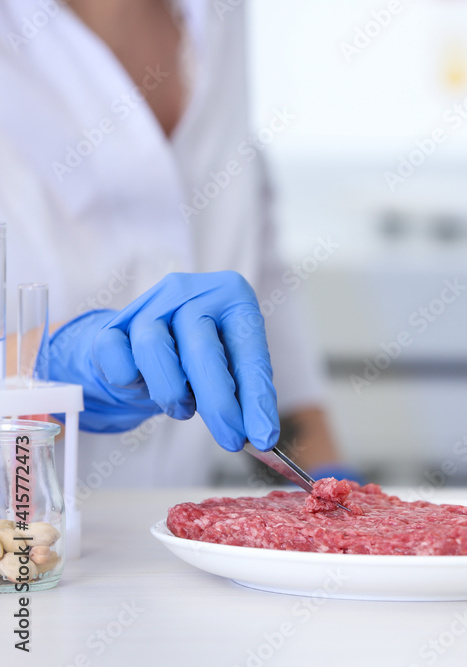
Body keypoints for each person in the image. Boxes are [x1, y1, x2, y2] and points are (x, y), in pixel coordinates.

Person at [0, 0, 352, 486]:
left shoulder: (221, 16)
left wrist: (337, 494)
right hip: (28, 545)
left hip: (171, 538)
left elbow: (246, 246)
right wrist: (35, 370)